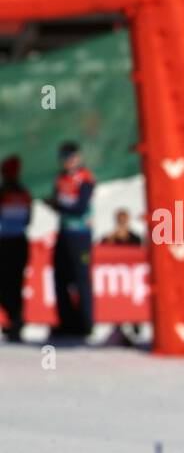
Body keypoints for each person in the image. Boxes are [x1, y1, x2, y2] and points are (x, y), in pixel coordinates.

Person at [46, 141, 95, 337]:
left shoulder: (85, 178)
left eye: (71, 157)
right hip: (64, 234)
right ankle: (67, 323)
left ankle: (85, 325)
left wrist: (58, 206)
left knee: (82, 280)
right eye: (64, 158)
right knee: (60, 279)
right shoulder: (61, 179)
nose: (68, 162)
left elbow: (80, 208)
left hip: (81, 235)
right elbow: (58, 201)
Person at [0, 155, 32, 342]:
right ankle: (15, 320)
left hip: (8, 242)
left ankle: (15, 321)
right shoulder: (24, 193)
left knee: (8, 283)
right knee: (15, 283)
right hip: (19, 242)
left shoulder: (5, 193)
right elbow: (28, 219)